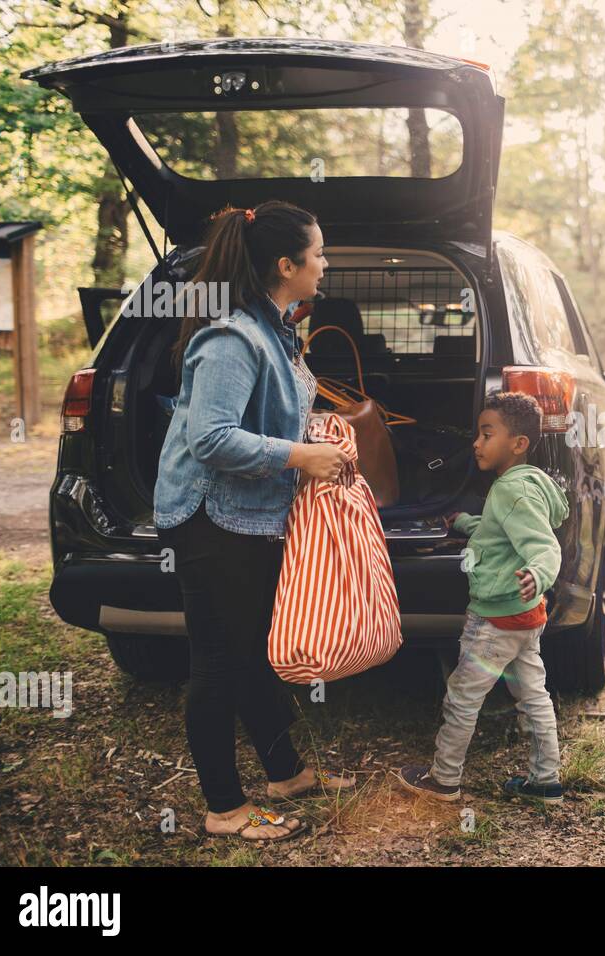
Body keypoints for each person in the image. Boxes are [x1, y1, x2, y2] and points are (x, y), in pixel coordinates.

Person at [154, 200, 356, 842]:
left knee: (251, 653)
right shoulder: (232, 339)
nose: (324, 264)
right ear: (285, 264)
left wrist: (313, 440)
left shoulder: (277, 328)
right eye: (318, 254)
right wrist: (300, 455)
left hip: (251, 515)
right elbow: (211, 438)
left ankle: (286, 773)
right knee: (218, 659)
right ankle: (225, 809)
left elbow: (268, 419)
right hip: (212, 520)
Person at [399, 391, 570, 805]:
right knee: (533, 695)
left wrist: (538, 573)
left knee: (463, 697)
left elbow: (542, 545)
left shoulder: (511, 491)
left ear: (519, 443)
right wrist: (466, 521)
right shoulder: (531, 485)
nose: (476, 443)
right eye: (478, 434)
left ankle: (443, 779)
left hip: (494, 619)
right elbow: (502, 532)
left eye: (487, 434)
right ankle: (546, 781)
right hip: (525, 617)